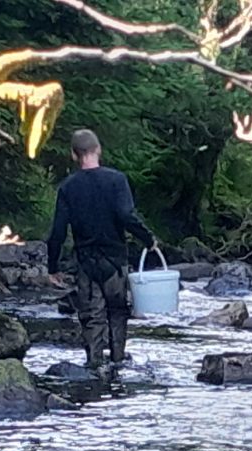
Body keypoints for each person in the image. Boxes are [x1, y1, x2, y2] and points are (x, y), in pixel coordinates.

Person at [47, 128, 157, 369]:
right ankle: (117, 361)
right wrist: (148, 239)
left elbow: (57, 231)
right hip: (115, 261)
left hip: (86, 262)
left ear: (74, 155)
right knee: (118, 311)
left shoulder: (68, 187)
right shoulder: (117, 180)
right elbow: (126, 216)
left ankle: (94, 364)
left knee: (91, 316)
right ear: (98, 150)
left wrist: (52, 266)